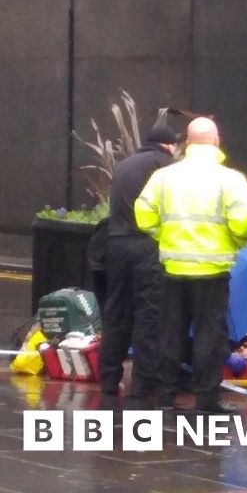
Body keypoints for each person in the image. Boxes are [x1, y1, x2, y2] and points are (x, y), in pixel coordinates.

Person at [135, 117, 247, 414]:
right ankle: (207, 399)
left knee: (170, 334)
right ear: (216, 141)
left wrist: (161, 235)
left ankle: (165, 397)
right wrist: (235, 241)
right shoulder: (230, 179)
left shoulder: (165, 176)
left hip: (173, 268)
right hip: (212, 270)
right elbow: (246, 220)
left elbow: (143, 211)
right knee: (209, 337)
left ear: (187, 143)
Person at [98, 124, 177, 402]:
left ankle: (108, 380)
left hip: (116, 244)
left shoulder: (124, 165)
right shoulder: (165, 165)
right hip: (146, 245)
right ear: (169, 145)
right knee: (148, 314)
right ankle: (143, 385)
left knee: (116, 312)